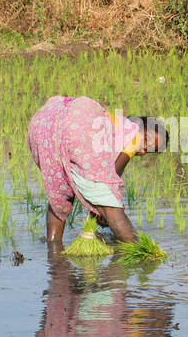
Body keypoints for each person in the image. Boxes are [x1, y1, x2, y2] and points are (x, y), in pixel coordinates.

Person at [28, 96, 166, 245]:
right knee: (110, 204)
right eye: (147, 140)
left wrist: (96, 212)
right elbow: (109, 178)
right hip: (76, 120)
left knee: (61, 195)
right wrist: (107, 209)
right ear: (138, 125)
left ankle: (54, 251)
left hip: (46, 124)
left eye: (149, 150)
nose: (143, 149)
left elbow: (97, 175)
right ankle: (141, 249)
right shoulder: (133, 134)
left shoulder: (110, 129)